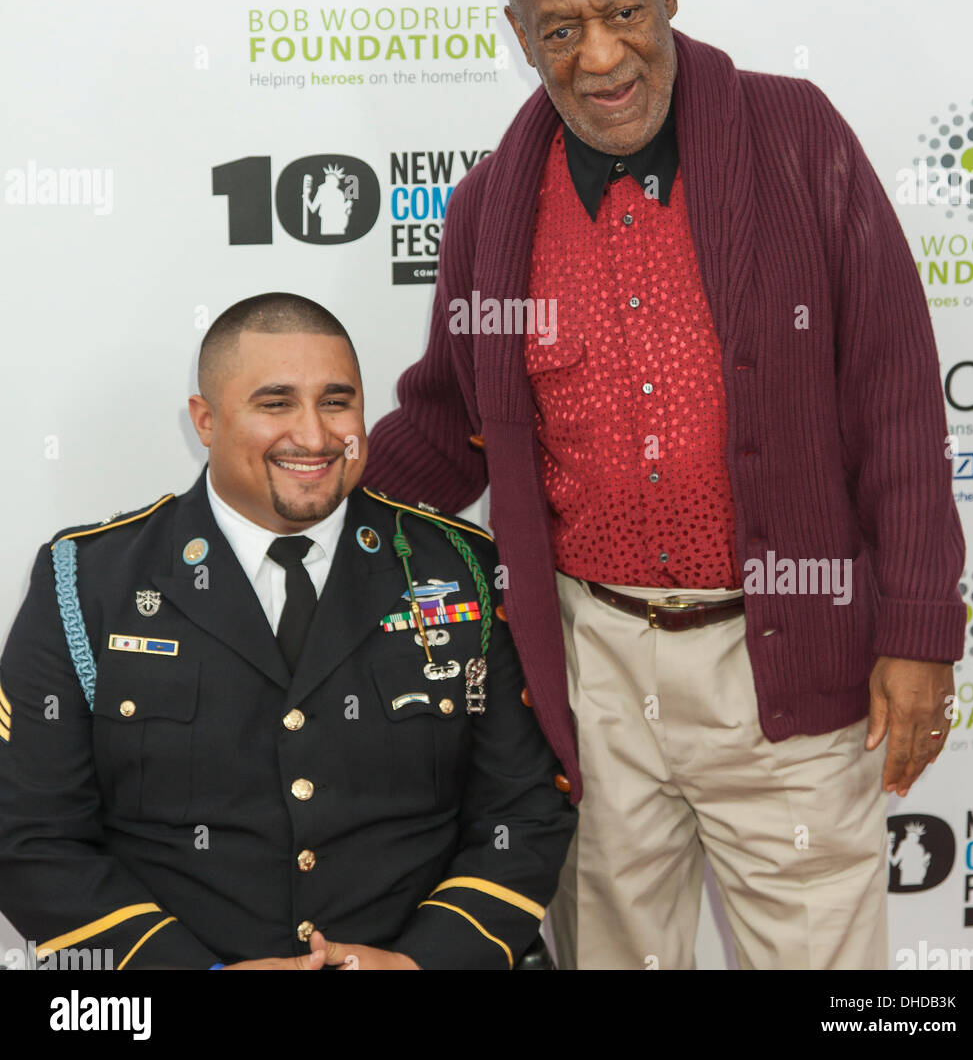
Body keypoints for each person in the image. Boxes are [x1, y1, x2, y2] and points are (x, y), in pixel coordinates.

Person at [363, 0, 967, 970]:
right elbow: (449, 424)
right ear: (520, 39)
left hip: (781, 653)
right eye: (561, 30)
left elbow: (894, 393)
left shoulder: (796, 137)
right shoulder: (488, 210)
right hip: (591, 672)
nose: (601, 56)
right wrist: (313, 488)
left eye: (622, 12)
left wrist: (918, 629)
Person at [0, 293, 575, 970]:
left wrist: (424, 962)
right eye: (276, 403)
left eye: (337, 401)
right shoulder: (87, 582)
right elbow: (32, 838)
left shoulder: (464, 569)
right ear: (205, 420)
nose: (314, 436)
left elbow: (522, 811)